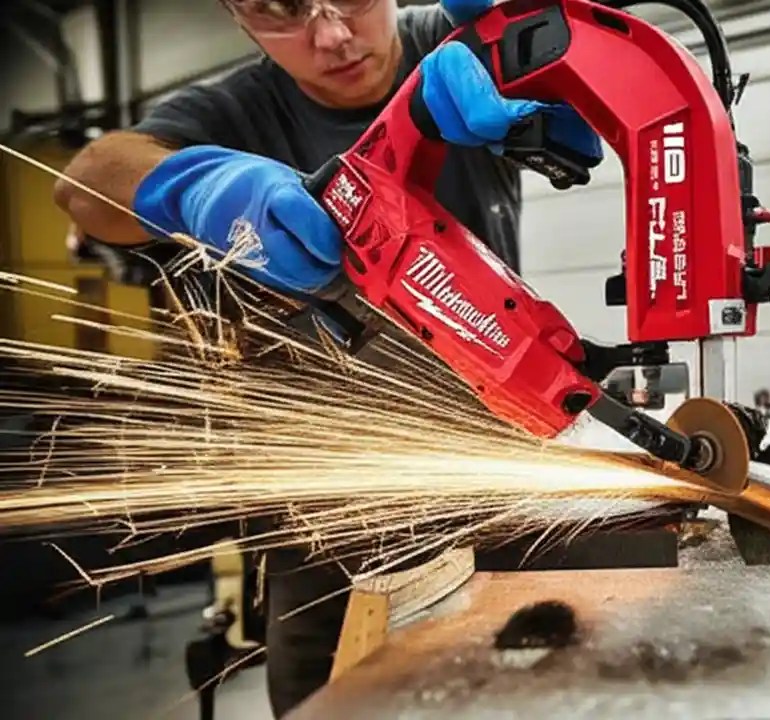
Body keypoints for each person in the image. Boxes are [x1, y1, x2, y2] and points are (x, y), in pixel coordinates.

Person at [52, 0, 603, 715]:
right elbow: (86, 179)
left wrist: (552, 43)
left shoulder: (462, 46)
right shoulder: (236, 111)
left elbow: (598, 43)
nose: (332, 35)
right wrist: (195, 188)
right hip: (328, 512)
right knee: (324, 699)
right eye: (280, 12)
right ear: (240, 21)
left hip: (495, 475)